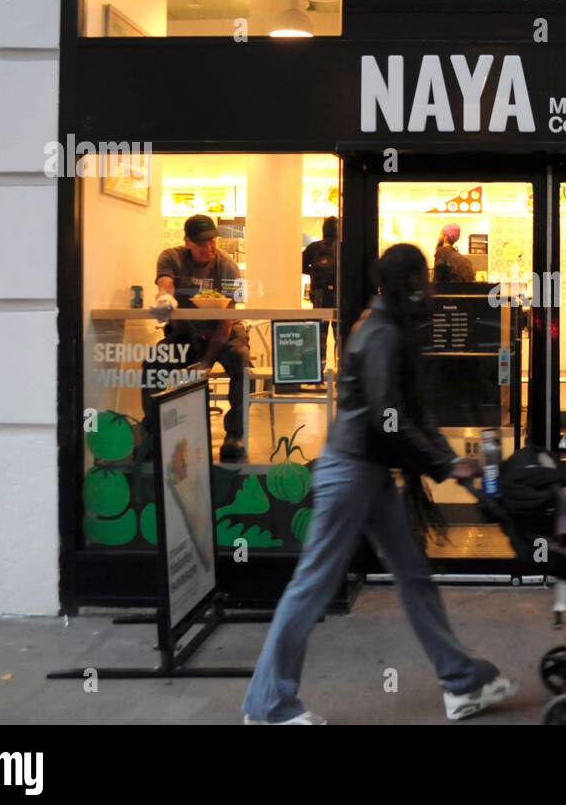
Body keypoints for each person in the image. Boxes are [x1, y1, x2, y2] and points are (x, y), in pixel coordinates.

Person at [241, 243, 518, 725]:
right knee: (312, 585)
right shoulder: (382, 335)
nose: (429, 289)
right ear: (407, 283)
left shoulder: (387, 327)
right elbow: (390, 418)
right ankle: (268, 706)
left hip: (367, 472)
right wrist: (443, 464)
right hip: (351, 472)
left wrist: (447, 459)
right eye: (422, 280)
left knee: (412, 574)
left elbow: (407, 412)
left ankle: (459, 680)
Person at [141, 214, 250, 463]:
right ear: (187, 241)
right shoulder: (171, 257)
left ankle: (235, 434)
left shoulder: (227, 266)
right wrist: (164, 299)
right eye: (202, 243)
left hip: (226, 332)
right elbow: (166, 284)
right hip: (187, 333)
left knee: (240, 362)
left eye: (212, 241)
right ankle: (152, 434)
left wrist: (207, 362)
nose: (209, 248)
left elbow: (226, 321)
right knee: (153, 363)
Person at [301, 216, 339, 366]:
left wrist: (313, 273)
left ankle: (319, 371)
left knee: (320, 335)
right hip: (338, 297)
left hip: (318, 296)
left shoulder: (314, 247)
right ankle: (339, 370)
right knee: (339, 335)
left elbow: (300, 265)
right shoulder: (342, 247)